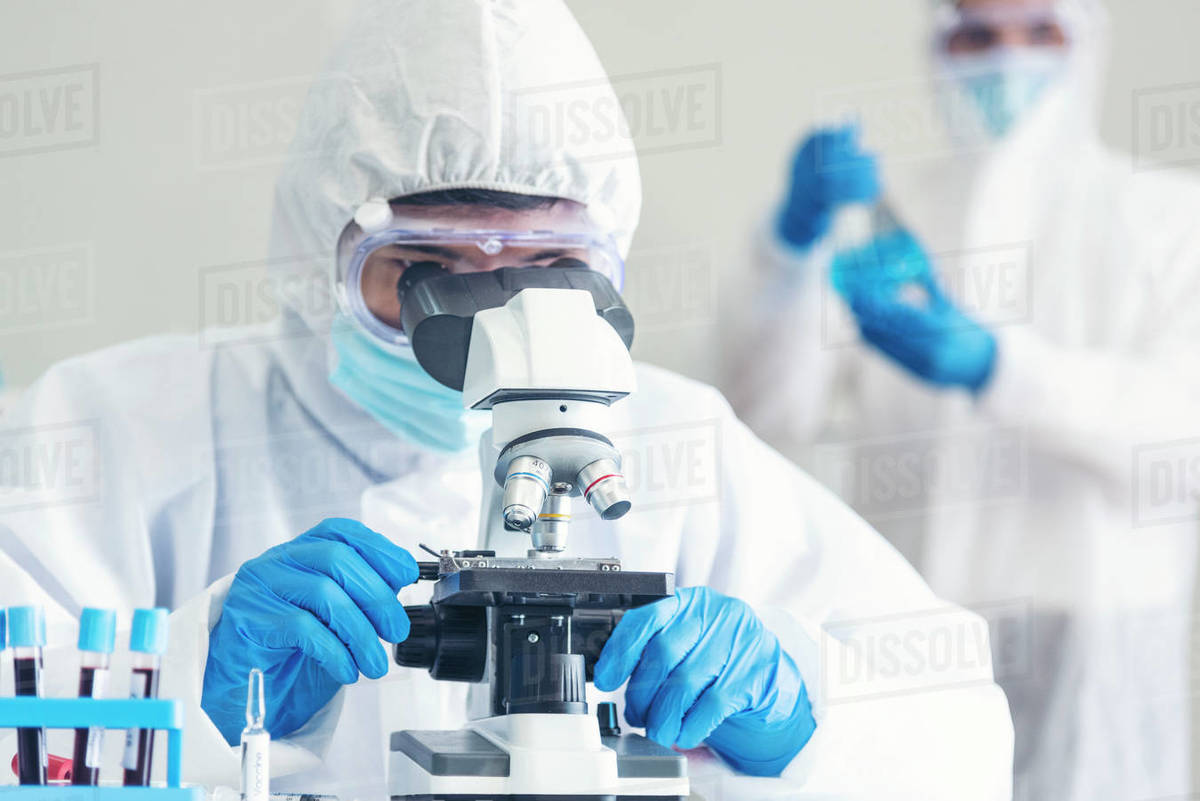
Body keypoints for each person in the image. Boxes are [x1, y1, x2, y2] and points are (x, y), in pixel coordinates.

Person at [0, 0, 1013, 798]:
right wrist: (185, 687)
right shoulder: (120, 424)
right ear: (323, 260)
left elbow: (962, 740)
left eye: (549, 268)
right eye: (429, 271)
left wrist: (803, 718)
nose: (493, 325)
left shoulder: (675, 436)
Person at [725, 0, 1200, 799]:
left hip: (1089, 649)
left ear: (1087, 44)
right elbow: (769, 411)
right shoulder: (893, 220)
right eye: (976, 35)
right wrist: (791, 248)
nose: (1004, 58)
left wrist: (998, 367)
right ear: (936, 48)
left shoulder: (1167, 218)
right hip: (904, 633)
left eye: (1037, 32)